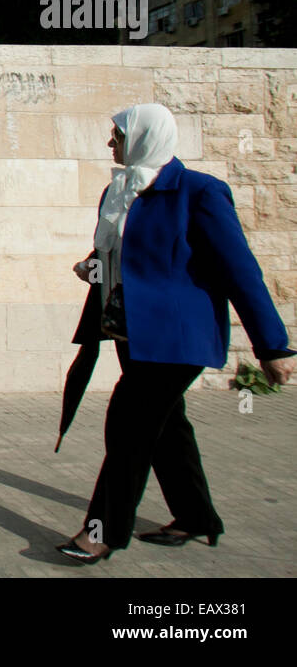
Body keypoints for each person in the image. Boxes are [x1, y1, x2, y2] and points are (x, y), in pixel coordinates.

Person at [57, 103, 294, 564]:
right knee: (166, 430)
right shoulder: (118, 190)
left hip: (176, 341)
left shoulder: (199, 192)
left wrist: (272, 346)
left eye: (118, 135)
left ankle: (102, 532)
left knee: (128, 427)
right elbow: (116, 252)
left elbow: (241, 271)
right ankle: (196, 516)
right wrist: (93, 266)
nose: (111, 143)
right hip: (130, 332)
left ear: (145, 137)